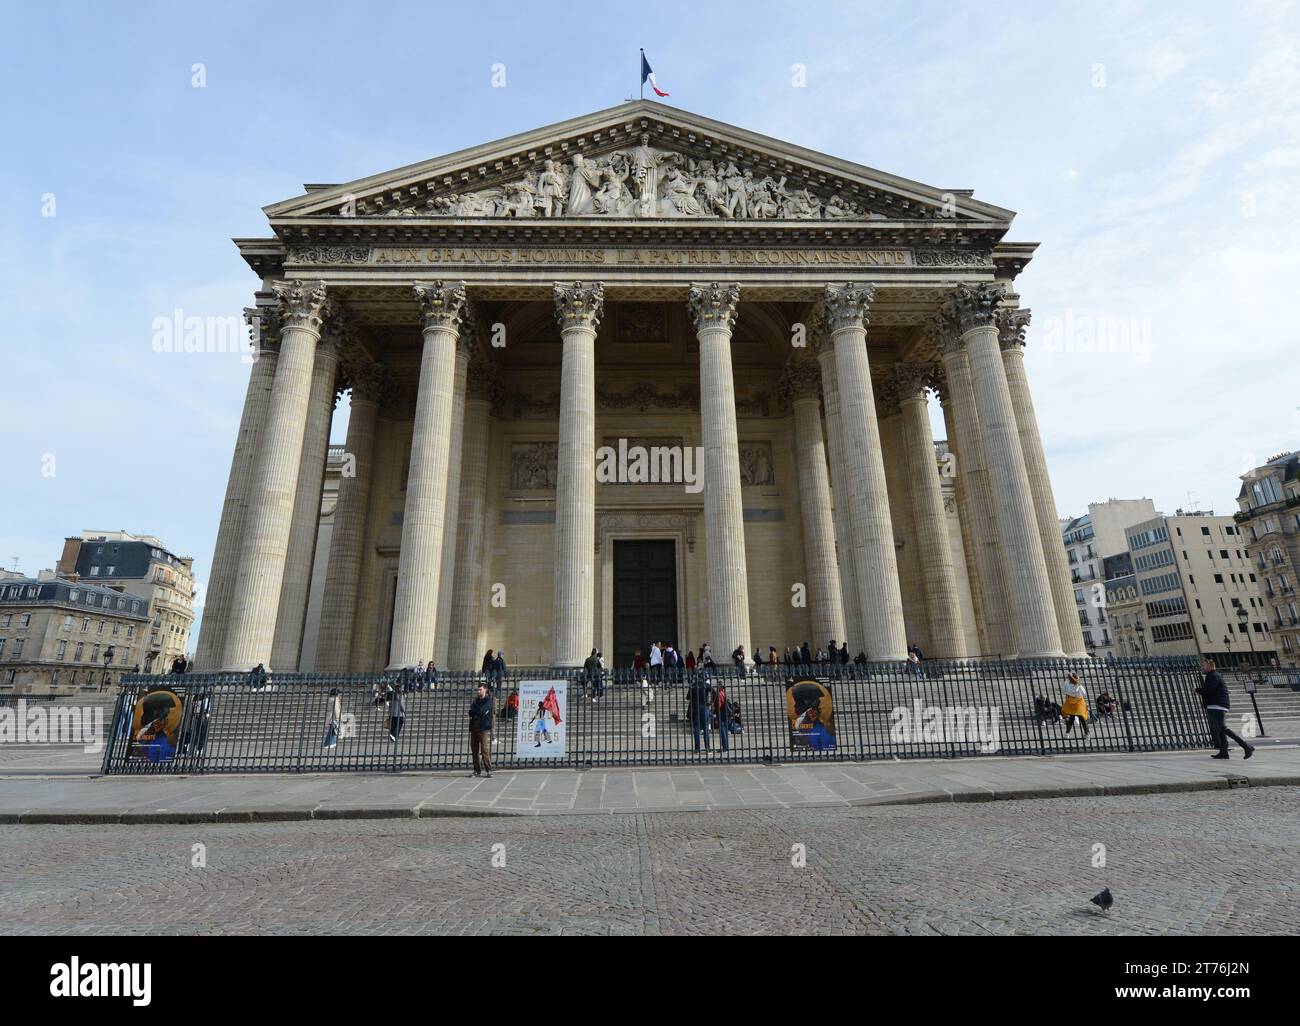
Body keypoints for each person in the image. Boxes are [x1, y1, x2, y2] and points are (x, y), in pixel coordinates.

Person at [1196, 657, 1254, 760]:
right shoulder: (1212, 675)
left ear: (1210, 665)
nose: (1202, 667)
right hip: (1216, 704)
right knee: (1220, 729)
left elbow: (1208, 690)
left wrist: (1197, 690)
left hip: (1217, 705)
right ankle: (1224, 752)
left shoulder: (1213, 675)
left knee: (1222, 728)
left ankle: (1246, 746)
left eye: (1204, 665)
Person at [468, 683, 494, 777]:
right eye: (477, 690)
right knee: (474, 750)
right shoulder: (476, 700)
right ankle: (477, 770)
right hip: (474, 727)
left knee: (484, 750)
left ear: (485, 690)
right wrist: (476, 712)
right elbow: (470, 712)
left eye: (480, 689)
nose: (478, 691)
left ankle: (489, 770)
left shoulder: (488, 701)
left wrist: (476, 712)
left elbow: (481, 711)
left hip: (483, 728)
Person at [687, 673, 716, 752]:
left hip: (696, 708)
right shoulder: (707, 686)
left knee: (696, 729)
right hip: (705, 707)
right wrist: (709, 702)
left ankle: (697, 748)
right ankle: (707, 748)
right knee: (706, 729)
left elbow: (688, 697)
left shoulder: (693, 685)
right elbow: (714, 695)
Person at [1060, 672, 1090, 737]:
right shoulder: (1079, 686)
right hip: (1079, 703)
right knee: (1082, 718)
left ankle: (1067, 733)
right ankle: (1087, 734)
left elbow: (1063, 691)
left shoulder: (1067, 683)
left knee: (1071, 718)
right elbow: (1084, 694)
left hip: (1070, 702)